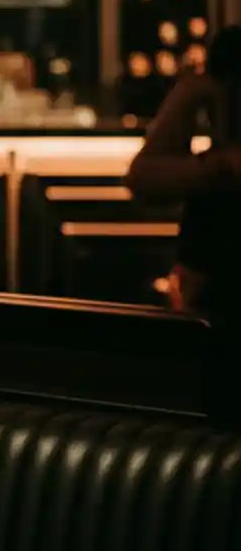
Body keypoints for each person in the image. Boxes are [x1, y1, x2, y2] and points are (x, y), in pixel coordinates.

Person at [126, 25, 241, 425]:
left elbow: (143, 177)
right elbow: (144, 178)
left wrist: (190, 94)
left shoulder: (225, 168)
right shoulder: (221, 164)